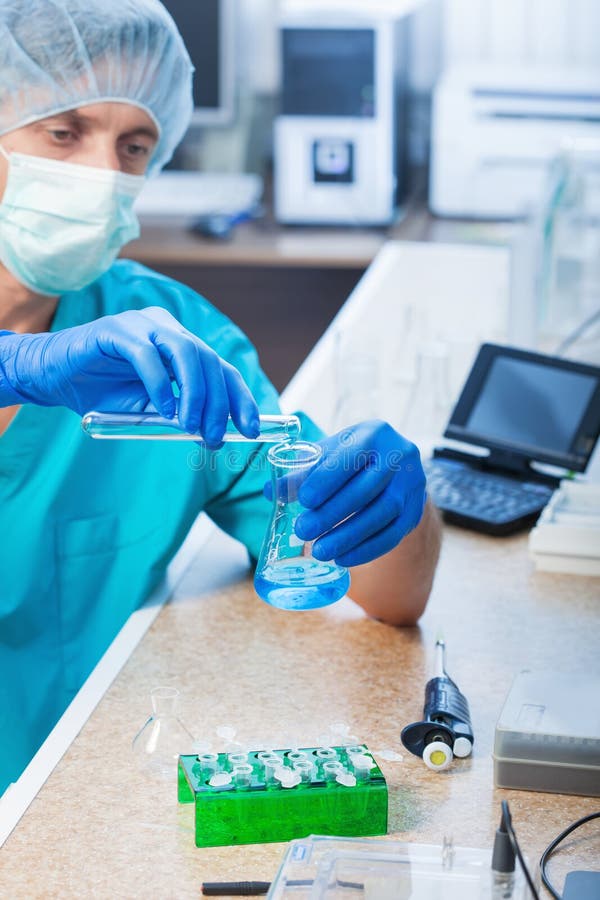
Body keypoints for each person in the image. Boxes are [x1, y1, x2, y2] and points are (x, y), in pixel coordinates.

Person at [0, 0, 441, 794]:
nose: (102, 175)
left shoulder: (166, 343)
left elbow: (391, 596)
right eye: (62, 133)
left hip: (60, 802)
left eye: (133, 145)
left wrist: (395, 499)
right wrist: (17, 365)